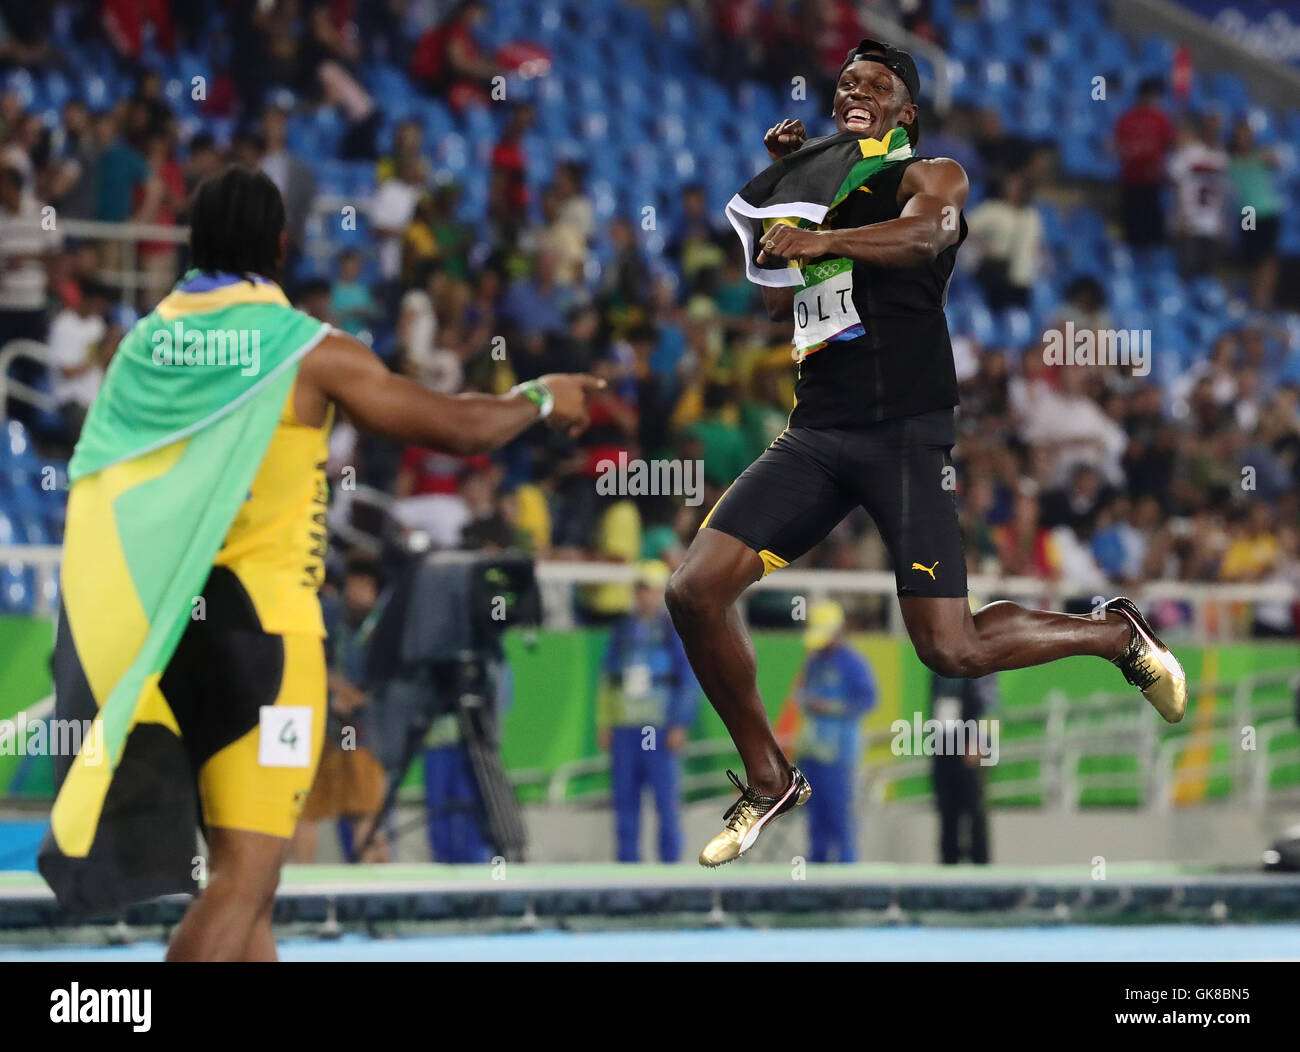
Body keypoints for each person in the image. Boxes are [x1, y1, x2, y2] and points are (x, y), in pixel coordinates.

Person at [40, 165, 603, 961]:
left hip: (158, 638)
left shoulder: (140, 349)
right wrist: (540, 398)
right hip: (263, 639)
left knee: (249, 898)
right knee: (245, 878)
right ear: (281, 246)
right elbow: (457, 427)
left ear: (192, 244)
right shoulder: (306, 350)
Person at [665, 39, 1187, 868]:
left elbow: (924, 238)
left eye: (877, 84)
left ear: (906, 111)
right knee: (693, 591)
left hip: (905, 434)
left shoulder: (932, 174)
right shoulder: (816, 189)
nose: (856, 89)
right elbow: (778, 308)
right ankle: (770, 778)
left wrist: (823, 241)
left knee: (952, 650)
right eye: (847, 81)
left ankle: (1111, 634)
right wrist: (791, 194)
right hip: (818, 432)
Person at [596, 560, 700, 863]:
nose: (647, 596)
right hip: (625, 729)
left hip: (658, 728)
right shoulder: (621, 631)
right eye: (642, 589)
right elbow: (607, 680)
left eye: (653, 590)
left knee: (666, 801)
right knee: (625, 802)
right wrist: (605, 723)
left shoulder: (674, 631)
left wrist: (679, 723)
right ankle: (628, 869)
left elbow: (688, 680)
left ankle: (669, 868)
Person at [793, 601, 875, 863]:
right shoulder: (814, 660)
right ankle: (817, 875)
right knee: (815, 821)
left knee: (840, 820)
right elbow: (800, 693)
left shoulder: (853, 664)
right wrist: (807, 701)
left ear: (838, 631)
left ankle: (845, 878)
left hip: (839, 754)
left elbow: (868, 700)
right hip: (812, 752)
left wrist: (830, 707)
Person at [930, 672, 997, 865]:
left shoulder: (981, 664)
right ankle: (948, 865)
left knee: (974, 810)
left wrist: (980, 742)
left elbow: (990, 702)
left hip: (970, 747)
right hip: (943, 744)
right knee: (946, 811)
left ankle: (981, 867)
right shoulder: (937, 667)